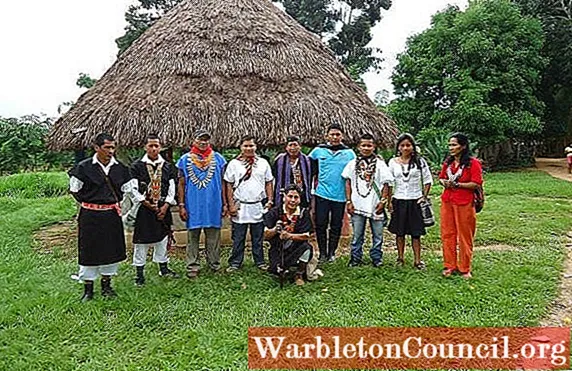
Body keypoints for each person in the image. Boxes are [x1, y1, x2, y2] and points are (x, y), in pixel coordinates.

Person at [68, 133, 131, 302]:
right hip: (90, 216)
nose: (111, 151)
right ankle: (88, 289)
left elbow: (126, 189)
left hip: (111, 215)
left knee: (111, 248)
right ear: (96, 147)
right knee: (89, 249)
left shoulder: (121, 169)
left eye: (113, 147)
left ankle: (107, 286)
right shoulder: (83, 168)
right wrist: (91, 204)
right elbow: (75, 190)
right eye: (107, 147)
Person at [176, 130, 227, 279]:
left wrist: (224, 204)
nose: (203, 143)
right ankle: (192, 265)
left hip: (213, 203)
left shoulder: (218, 159)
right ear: (194, 141)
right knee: (193, 236)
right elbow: (181, 183)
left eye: (206, 140)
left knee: (214, 236)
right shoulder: (184, 160)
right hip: (193, 204)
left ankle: (214, 264)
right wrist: (181, 205)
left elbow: (224, 183)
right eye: (200, 140)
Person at [129, 134, 179, 286]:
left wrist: (166, 206)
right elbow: (132, 188)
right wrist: (145, 202)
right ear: (145, 147)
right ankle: (139, 274)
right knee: (141, 241)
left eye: (156, 146)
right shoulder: (136, 166)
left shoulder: (168, 166)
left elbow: (172, 188)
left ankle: (163, 268)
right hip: (145, 209)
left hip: (163, 208)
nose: (154, 149)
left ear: (160, 147)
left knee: (163, 238)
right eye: (150, 145)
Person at [342, 133, 393, 267]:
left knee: (378, 235)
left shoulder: (381, 164)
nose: (366, 148)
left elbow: (386, 183)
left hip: (375, 205)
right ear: (359, 147)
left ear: (374, 147)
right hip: (357, 204)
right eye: (363, 145)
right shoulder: (352, 164)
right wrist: (349, 201)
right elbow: (347, 182)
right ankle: (355, 258)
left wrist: (383, 201)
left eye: (369, 145)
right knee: (357, 235)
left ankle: (376, 258)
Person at [224, 135, 274, 272]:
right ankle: (235, 262)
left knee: (258, 237)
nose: (248, 148)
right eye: (245, 146)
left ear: (255, 147)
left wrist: (270, 200)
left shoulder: (263, 163)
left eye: (251, 145)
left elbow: (269, 182)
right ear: (240, 147)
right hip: (241, 205)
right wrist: (230, 205)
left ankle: (259, 261)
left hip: (257, 205)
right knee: (238, 237)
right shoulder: (234, 164)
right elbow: (228, 185)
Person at [309, 124, 356, 263]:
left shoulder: (349, 153)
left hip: (340, 196)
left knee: (336, 225)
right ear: (327, 136)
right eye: (332, 134)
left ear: (342, 136)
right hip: (322, 194)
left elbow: (354, 175)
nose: (335, 137)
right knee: (321, 223)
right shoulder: (318, 151)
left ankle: (332, 253)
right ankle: (322, 253)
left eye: (337, 135)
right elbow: (309, 170)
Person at [438, 133, 483, 279]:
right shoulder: (448, 163)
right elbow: (441, 178)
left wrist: (458, 185)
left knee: (465, 235)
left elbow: (476, 183)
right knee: (448, 234)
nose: (451, 148)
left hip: (464, 202)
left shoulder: (472, 163)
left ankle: (465, 268)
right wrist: (444, 182)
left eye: (454, 145)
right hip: (448, 201)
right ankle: (449, 265)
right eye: (450, 145)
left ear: (463, 146)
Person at [387, 134, 433, 270]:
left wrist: (424, 196)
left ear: (413, 146)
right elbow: (389, 183)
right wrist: (389, 201)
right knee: (399, 232)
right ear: (398, 147)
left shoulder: (420, 162)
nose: (405, 148)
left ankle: (417, 261)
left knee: (416, 233)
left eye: (408, 145)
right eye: (402, 145)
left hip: (415, 201)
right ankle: (400, 258)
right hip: (399, 200)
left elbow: (428, 180)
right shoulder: (392, 162)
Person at [264, 185, 313, 286]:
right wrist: (275, 230)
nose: (293, 200)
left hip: (297, 247)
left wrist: (289, 236)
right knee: (275, 270)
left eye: (296, 197)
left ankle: (299, 274)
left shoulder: (304, 213)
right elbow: (265, 235)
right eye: (290, 196)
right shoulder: (274, 212)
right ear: (284, 197)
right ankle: (284, 268)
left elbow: (307, 235)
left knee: (307, 248)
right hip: (278, 248)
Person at [272, 135, 312, 208]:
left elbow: (311, 178)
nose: (293, 148)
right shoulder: (279, 160)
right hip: (283, 195)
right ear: (286, 147)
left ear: (300, 147)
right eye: (290, 145)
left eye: (295, 145)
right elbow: (274, 177)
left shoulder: (307, 161)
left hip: (301, 196)